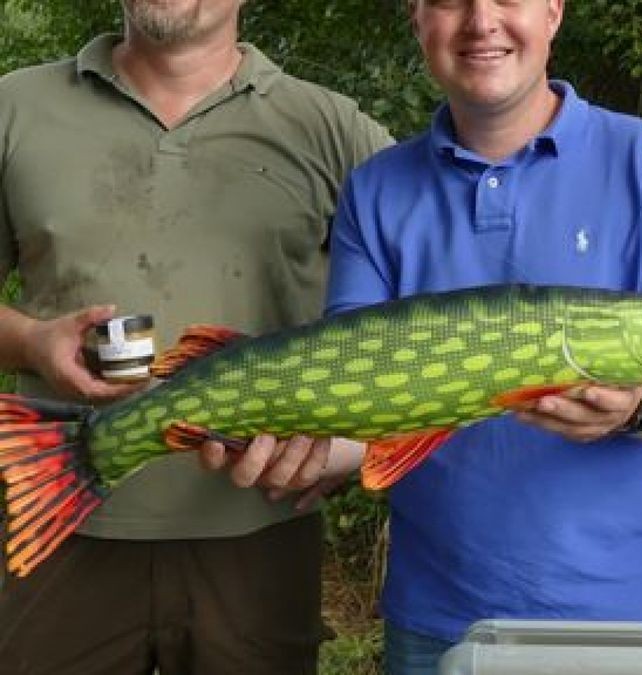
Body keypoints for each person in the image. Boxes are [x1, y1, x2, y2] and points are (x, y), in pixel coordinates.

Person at [325, 0, 642, 671]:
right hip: (441, 626)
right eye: (450, 1)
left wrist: (638, 408)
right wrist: (283, 447)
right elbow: (353, 401)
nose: (480, 20)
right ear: (418, 20)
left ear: (553, 12)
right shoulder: (375, 190)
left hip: (637, 621)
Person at [0, 0, 391, 672]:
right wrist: (33, 342)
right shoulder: (14, 106)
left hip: (259, 532)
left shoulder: (332, 128)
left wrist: (352, 447)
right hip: (57, 519)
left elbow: (435, 316)